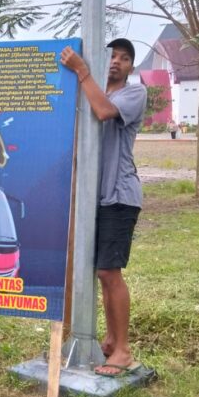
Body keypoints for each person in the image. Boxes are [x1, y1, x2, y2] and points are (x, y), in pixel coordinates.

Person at [60, 38, 147, 377]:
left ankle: (123, 349)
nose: (116, 62)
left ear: (131, 68)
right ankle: (110, 339)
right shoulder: (94, 89)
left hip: (119, 195)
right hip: (92, 197)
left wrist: (81, 71)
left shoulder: (133, 94)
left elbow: (104, 112)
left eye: (124, 59)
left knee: (110, 272)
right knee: (99, 272)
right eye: (111, 56)